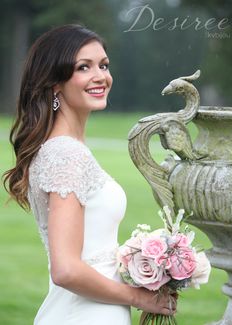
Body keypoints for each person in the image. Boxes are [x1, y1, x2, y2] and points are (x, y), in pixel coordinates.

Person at [3, 24, 176, 324]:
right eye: (84, 67)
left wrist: (144, 263)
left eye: (104, 65)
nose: (100, 76)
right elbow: (66, 269)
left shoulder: (66, 149)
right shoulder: (65, 154)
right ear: (55, 82)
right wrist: (139, 297)